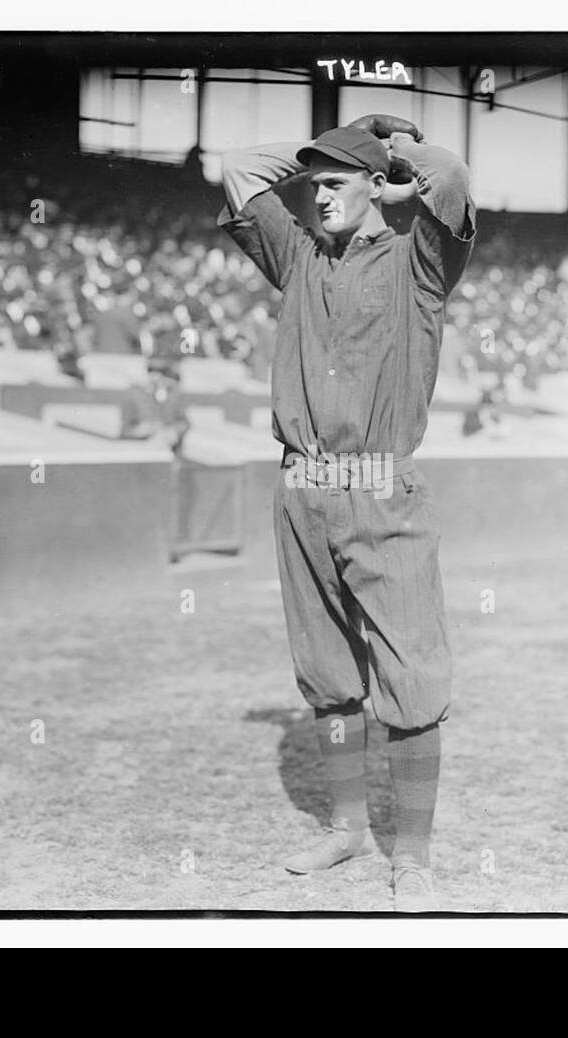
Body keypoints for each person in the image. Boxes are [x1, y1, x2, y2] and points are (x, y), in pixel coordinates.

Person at [218, 114, 476, 911]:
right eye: (313, 186)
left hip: (380, 487)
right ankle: (345, 828)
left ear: (375, 187)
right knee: (328, 674)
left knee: (409, 674)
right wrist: (331, 143)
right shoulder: (297, 254)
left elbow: (452, 178)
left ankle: (415, 857)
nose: (318, 196)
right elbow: (235, 170)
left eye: (336, 183)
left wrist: (389, 153)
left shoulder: (419, 262)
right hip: (301, 488)